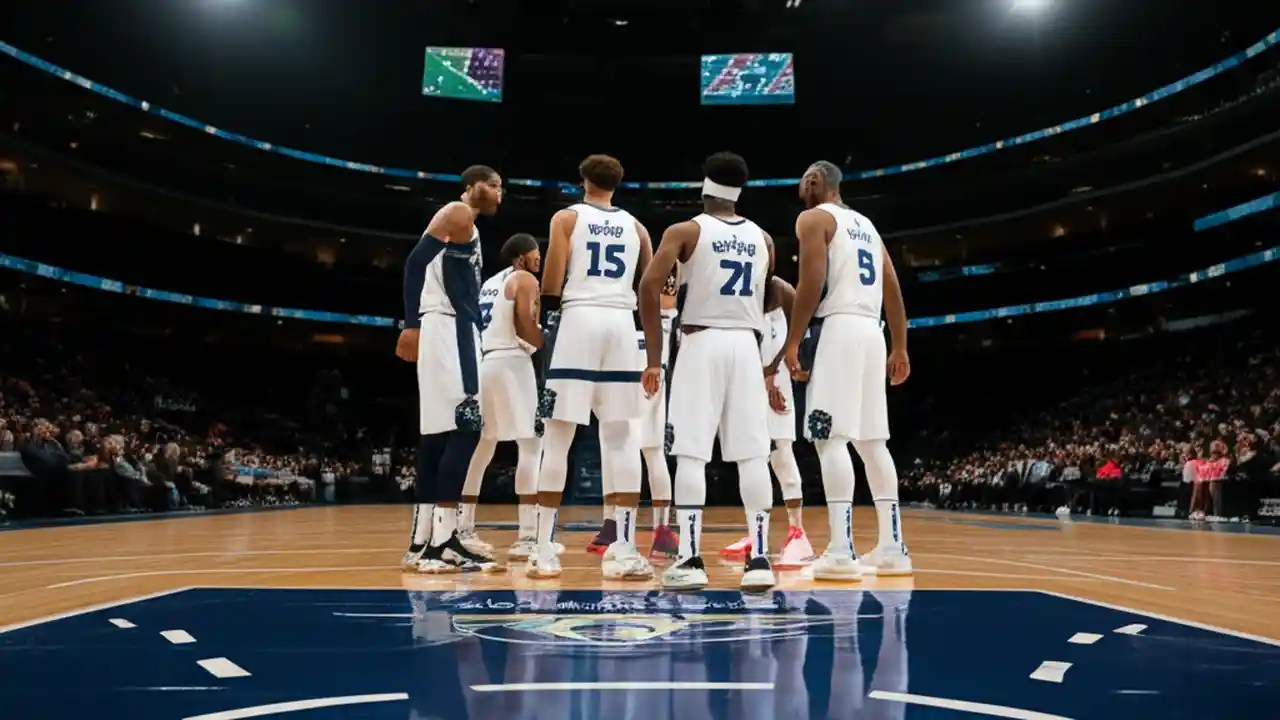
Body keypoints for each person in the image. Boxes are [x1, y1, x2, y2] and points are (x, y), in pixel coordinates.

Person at [640, 151, 783, 593]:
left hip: (701, 341)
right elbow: (772, 291)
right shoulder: (764, 238)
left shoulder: (685, 230)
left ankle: (690, 558)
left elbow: (649, 285)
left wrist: (653, 356)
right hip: (746, 343)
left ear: (704, 185)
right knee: (754, 455)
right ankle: (759, 559)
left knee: (691, 454)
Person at [783, 160, 912, 580]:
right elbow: (891, 286)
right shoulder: (867, 226)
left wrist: (792, 340)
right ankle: (893, 547)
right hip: (872, 333)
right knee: (873, 442)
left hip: (838, 328)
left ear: (816, 180)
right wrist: (900, 345)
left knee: (829, 438)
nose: (801, 187)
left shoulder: (813, 218)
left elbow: (811, 280)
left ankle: (841, 551)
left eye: (804, 179)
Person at [528, 154, 654, 581]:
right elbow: (650, 284)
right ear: (618, 183)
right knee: (622, 439)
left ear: (583, 179)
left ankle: (544, 549)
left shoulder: (566, 218)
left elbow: (551, 281)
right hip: (622, 323)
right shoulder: (638, 227)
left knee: (559, 436)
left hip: (580, 320)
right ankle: (624, 549)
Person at [397, 165, 505, 573]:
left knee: (439, 439)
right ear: (472, 186)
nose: (499, 193)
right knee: (466, 427)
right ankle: (441, 543)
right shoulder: (458, 213)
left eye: (501, 188)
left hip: (447, 329)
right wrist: (411, 324)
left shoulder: (465, 224)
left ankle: (425, 539)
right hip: (448, 330)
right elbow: (413, 264)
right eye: (493, 185)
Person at [456, 233, 559, 559]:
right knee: (531, 444)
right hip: (514, 363)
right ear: (520, 257)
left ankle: (463, 529)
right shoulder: (524, 279)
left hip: (486, 362)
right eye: (535, 254)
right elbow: (524, 329)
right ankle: (528, 536)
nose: (539, 259)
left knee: (483, 447)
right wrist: (548, 339)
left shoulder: (489, 282)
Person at [722, 270, 816, 568]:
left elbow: (799, 332)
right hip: (747, 379)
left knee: (782, 455)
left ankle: (797, 530)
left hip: (777, 379)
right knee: (751, 457)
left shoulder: (782, 289)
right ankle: (756, 530)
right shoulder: (739, 290)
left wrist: (781, 371)